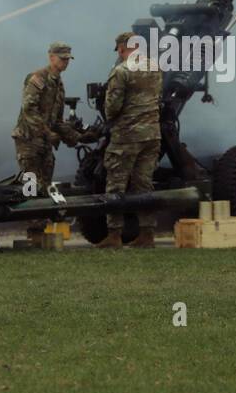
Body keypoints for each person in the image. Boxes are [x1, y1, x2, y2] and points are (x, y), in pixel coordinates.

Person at [12, 42, 83, 241]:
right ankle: (32, 232)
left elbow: (57, 120)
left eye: (68, 59)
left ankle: (39, 229)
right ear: (51, 57)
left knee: (45, 186)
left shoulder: (58, 85)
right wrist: (47, 133)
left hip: (44, 142)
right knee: (31, 184)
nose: (65, 62)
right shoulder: (37, 79)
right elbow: (29, 110)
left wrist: (75, 137)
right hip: (28, 140)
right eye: (62, 58)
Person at [98, 32, 163, 250]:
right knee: (143, 185)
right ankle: (147, 235)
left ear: (125, 47)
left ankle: (114, 235)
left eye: (119, 49)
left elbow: (112, 107)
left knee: (116, 184)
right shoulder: (155, 67)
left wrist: (109, 118)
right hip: (152, 135)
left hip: (127, 137)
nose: (119, 53)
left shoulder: (121, 71)